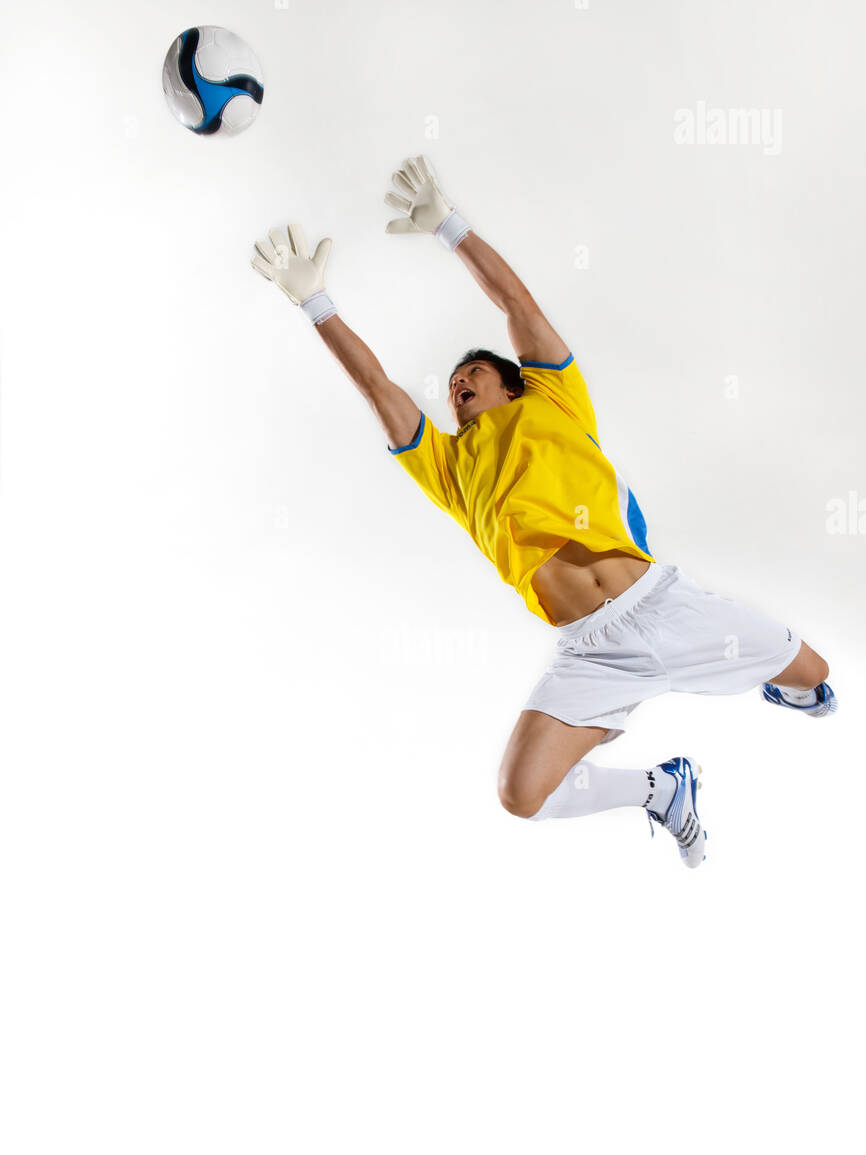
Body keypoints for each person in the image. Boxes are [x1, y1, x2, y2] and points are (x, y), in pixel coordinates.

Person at [251, 156, 836, 869]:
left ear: (511, 383)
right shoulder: (448, 467)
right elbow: (377, 387)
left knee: (816, 675)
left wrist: (448, 225)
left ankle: (792, 693)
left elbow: (517, 305)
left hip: (663, 606)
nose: (458, 382)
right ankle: (659, 791)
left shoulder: (554, 400)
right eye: (453, 382)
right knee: (520, 793)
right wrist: (315, 302)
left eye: (474, 373)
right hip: (592, 651)